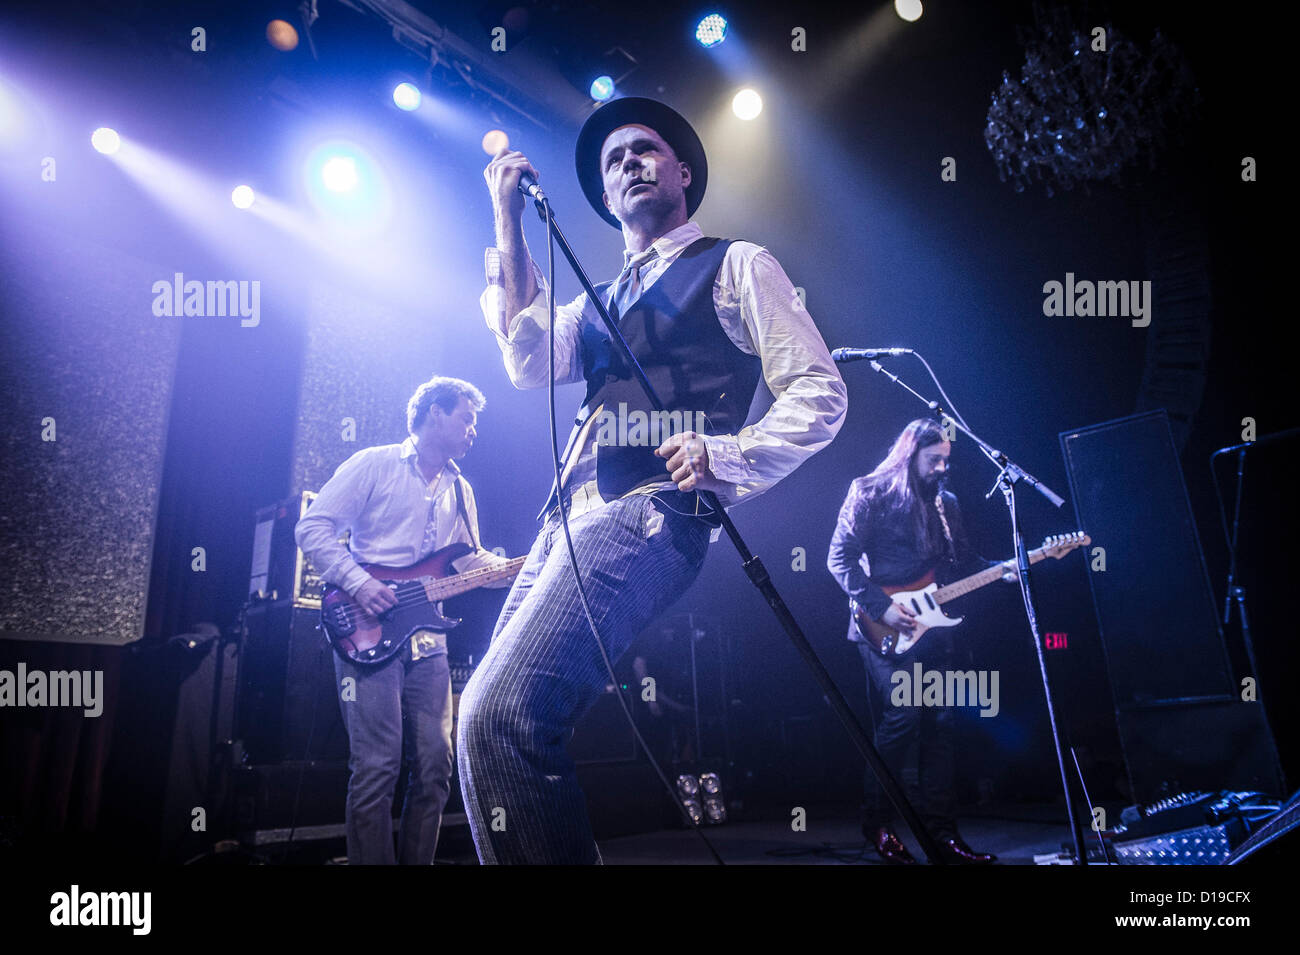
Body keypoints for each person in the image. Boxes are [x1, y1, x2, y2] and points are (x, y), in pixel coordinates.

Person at [459, 97, 847, 863]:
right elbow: (527, 361)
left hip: (646, 513)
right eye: (613, 162)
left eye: (644, 150)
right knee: (481, 720)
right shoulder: (593, 304)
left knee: (501, 717)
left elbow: (820, 391)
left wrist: (727, 453)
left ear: (682, 171)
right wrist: (506, 218)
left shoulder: (738, 264)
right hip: (564, 521)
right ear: (605, 200)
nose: (628, 162)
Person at [295, 376, 513, 865]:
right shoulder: (374, 464)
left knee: (437, 765)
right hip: (367, 629)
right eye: (466, 418)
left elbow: (468, 562)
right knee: (377, 766)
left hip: (429, 640)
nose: (473, 431)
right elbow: (312, 527)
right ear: (435, 413)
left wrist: (522, 567)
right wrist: (358, 582)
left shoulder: (462, 489)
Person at [827, 417, 1008, 865]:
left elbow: (963, 560)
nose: (944, 468)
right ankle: (880, 825)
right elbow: (839, 558)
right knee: (904, 716)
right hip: (881, 627)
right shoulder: (870, 491)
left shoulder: (947, 503)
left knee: (941, 726)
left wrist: (1005, 568)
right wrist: (881, 607)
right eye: (935, 460)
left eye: (947, 460)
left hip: (933, 630)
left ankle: (943, 836)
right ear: (911, 456)